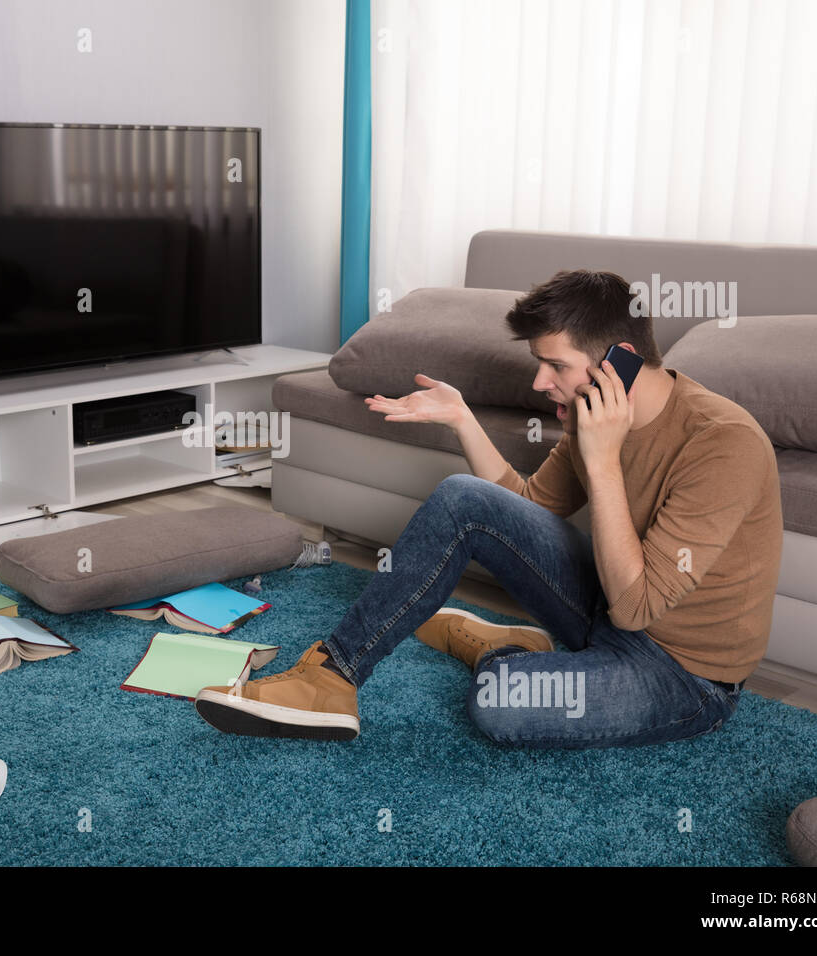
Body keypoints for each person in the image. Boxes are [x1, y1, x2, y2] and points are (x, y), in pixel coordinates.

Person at [193, 270, 783, 747]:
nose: (539, 382)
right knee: (463, 497)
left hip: (681, 672)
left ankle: (505, 648)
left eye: (556, 364)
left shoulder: (723, 442)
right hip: (605, 607)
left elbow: (637, 610)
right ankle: (330, 675)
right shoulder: (591, 417)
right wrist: (461, 420)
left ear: (618, 361)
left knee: (501, 705)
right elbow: (516, 507)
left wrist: (602, 461)